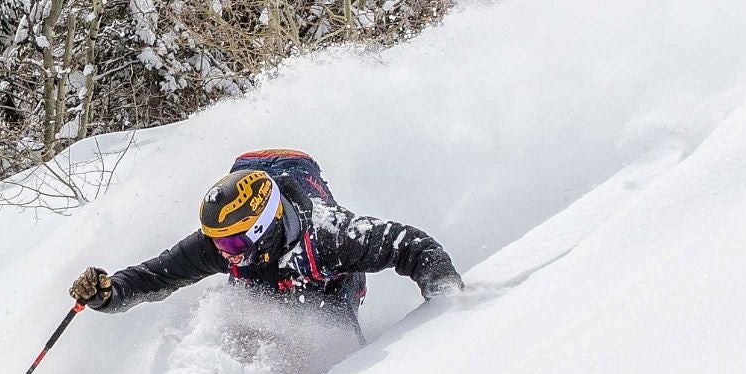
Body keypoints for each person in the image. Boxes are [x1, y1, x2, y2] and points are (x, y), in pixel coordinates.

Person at [69, 150, 461, 333]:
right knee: (242, 317)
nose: (223, 254)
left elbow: (412, 245)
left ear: (262, 228)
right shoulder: (221, 245)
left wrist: (449, 302)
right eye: (215, 242)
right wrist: (109, 293)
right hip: (265, 278)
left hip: (329, 284)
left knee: (337, 341)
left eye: (232, 245)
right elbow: (155, 277)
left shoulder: (332, 235)